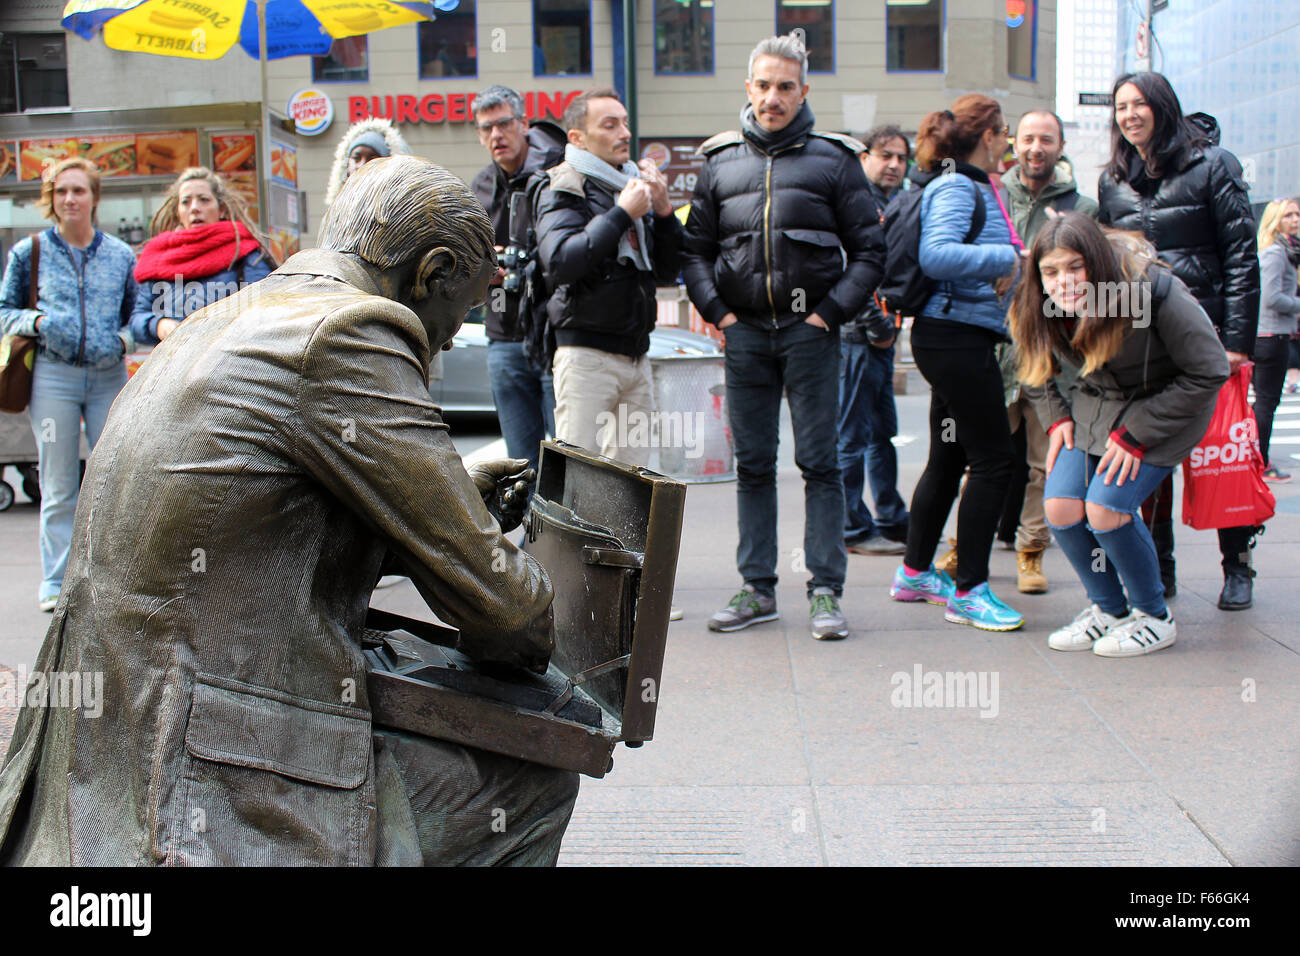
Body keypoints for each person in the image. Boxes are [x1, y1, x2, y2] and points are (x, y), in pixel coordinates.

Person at [0, 156, 578, 866]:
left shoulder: (235, 314)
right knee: (528, 780)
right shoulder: (352, 331)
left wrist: (442, 500)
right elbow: (510, 616)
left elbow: (259, 525)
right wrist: (490, 575)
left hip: (117, 725)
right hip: (190, 756)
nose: (456, 334)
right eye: (463, 307)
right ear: (432, 272)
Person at [682, 34, 885, 641]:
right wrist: (720, 315)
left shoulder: (834, 160)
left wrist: (827, 315)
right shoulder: (719, 162)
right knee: (753, 465)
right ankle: (758, 589)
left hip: (810, 334)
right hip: (743, 334)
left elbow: (870, 252)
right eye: (764, 86)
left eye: (785, 87)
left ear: (804, 91)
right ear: (748, 88)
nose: (773, 98)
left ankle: (826, 590)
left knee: (821, 464)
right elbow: (694, 252)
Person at [1012, 215, 1228, 656]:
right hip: (1097, 406)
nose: (1064, 282)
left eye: (1076, 267)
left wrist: (1138, 433)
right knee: (1061, 506)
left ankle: (1153, 616)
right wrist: (1057, 419)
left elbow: (1209, 370)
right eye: (1051, 271)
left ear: (1097, 261)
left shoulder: (1152, 291)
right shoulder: (1038, 299)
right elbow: (1033, 363)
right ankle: (1110, 610)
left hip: (1165, 407)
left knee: (1106, 508)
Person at [1097, 71, 1261, 610]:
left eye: (1140, 104)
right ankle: (1158, 569)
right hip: (1143, 345)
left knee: (1223, 458)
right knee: (1149, 460)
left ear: (1164, 107)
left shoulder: (1214, 165)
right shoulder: (1112, 180)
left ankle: (1237, 565)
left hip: (1207, 336)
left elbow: (1241, 255)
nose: (1130, 115)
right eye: (1122, 106)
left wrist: (1236, 340)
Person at [887, 95, 1025, 632]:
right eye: (1005, 132)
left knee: (948, 458)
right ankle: (970, 590)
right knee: (994, 460)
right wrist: (1007, 258)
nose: (1009, 141)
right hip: (954, 338)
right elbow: (937, 255)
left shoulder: (973, 184)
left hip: (957, 335)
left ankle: (917, 573)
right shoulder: (957, 186)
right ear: (986, 134)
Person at [0, 157, 137, 612]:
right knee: (59, 482)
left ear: (94, 198)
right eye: (61, 192)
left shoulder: (120, 255)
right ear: (51, 200)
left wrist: (123, 337)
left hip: (107, 378)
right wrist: (36, 319)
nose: (70, 199)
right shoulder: (29, 252)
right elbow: (4, 310)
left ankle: (109, 576)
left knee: (112, 478)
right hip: (54, 377)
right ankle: (56, 582)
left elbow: (134, 316)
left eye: (78, 190)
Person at [533, 87, 682, 467]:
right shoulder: (563, 183)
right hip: (586, 357)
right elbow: (562, 262)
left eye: (626, 123)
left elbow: (666, 271)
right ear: (578, 138)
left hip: (636, 356)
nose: (625, 133)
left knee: (631, 484)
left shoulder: (633, 184)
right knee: (577, 480)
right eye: (610, 124)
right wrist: (621, 215)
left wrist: (663, 212)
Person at [996, 109, 1100, 593]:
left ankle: (1031, 551)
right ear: (1015, 142)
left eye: (1047, 140)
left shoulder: (1083, 207)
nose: (1036, 148)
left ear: (1060, 147)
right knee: (980, 458)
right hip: (994, 351)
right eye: (1029, 138)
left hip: (1051, 355)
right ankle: (961, 543)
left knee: (1045, 460)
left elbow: (1102, 285)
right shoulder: (992, 196)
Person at [470, 85, 566, 472]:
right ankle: (530, 534)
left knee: (563, 459)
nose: (496, 135)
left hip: (554, 333)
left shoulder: (557, 171)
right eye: (486, 128)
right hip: (503, 333)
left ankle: (563, 534)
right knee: (520, 465)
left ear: (524, 123)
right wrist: (484, 271)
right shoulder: (479, 188)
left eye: (504, 124)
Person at [838, 125, 911, 557]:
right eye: (885, 155)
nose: (894, 165)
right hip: (856, 337)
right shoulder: (854, 200)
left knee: (883, 432)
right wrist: (879, 328)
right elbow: (851, 271)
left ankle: (890, 516)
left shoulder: (889, 203)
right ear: (864, 156)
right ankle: (851, 527)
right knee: (851, 436)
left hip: (879, 336)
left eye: (901, 157)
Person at [128, 166, 273, 345]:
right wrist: (158, 325)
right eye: (186, 202)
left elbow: (265, 315)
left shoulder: (245, 254)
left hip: (229, 366)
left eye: (204, 200)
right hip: (174, 368)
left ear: (222, 210)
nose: (195, 208)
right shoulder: (158, 258)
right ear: (178, 212)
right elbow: (137, 320)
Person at [1253, 198, 1300, 482]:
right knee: (1266, 402)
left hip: (1272, 334)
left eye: (1297, 214)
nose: (1295, 219)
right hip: (1269, 336)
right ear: (1275, 220)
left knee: (1265, 402)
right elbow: (1271, 298)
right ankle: (1261, 462)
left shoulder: (1286, 252)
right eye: (1288, 215)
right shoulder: (1276, 253)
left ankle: (1259, 460)